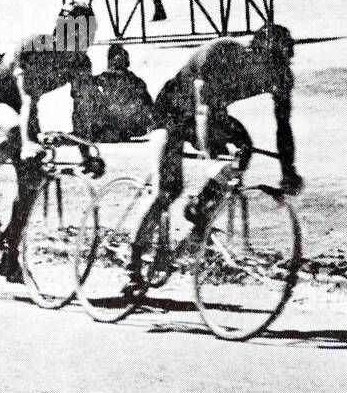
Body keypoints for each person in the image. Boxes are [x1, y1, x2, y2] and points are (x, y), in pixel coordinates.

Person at [125, 23, 303, 295]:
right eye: (269, 66)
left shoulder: (281, 75)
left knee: (244, 148)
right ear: (254, 53)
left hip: (211, 114)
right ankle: (133, 268)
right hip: (172, 113)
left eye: (280, 65)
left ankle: (201, 216)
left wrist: (288, 170)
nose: (273, 74)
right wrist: (212, 161)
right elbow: (202, 113)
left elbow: (283, 126)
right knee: (166, 192)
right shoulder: (222, 54)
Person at [0, 3, 102, 282]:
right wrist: (29, 141)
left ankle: (10, 254)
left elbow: (83, 110)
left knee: (31, 184)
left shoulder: (80, 63)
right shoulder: (35, 47)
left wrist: (87, 152)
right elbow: (27, 97)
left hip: (25, 110)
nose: (85, 41)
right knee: (17, 133)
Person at [86, 44, 154, 142]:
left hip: (120, 126)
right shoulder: (136, 80)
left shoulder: (104, 78)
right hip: (135, 127)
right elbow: (149, 106)